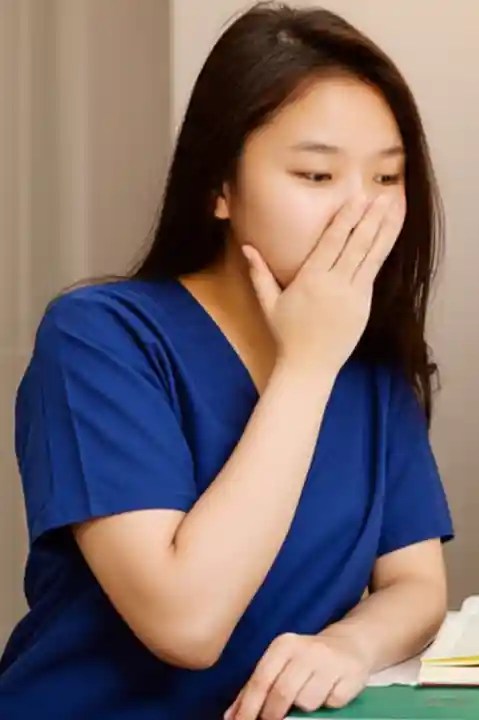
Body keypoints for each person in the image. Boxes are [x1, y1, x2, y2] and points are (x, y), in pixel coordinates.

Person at [0, 3, 453, 719]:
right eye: (315, 176)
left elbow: (417, 585)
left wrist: (349, 647)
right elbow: (186, 623)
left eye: (387, 178)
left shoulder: (369, 359)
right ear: (220, 187)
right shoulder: (99, 339)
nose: (360, 213)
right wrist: (305, 368)